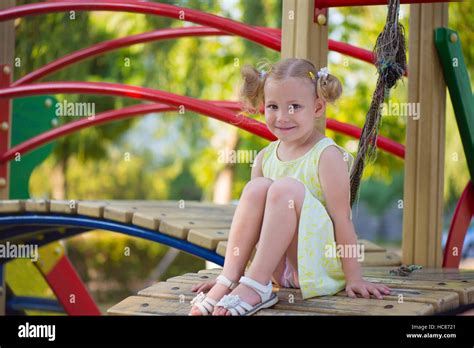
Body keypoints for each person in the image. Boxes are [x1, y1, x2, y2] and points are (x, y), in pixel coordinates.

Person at [189, 58, 390, 316]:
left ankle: (254, 286)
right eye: (273, 106)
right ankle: (232, 279)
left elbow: (343, 220)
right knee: (255, 189)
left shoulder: (326, 155)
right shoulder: (265, 157)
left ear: (317, 108)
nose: (283, 117)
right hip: (276, 270)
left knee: (285, 190)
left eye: (294, 106)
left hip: (316, 268)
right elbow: (254, 224)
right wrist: (233, 275)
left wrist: (354, 279)